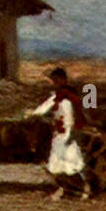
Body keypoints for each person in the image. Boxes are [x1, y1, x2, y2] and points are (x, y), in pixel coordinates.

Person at [27, 67, 92, 200]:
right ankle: (62, 190)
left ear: (63, 80)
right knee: (57, 164)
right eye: (53, 80)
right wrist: (33, 113)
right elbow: (45, 108)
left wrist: (74, 132)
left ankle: (86, 188)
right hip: (59, 133)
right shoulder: (58, 96)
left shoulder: (69, 96)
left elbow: (77, 116)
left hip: (68, 133)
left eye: (56, 80)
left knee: (73, 163)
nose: (54, 82)